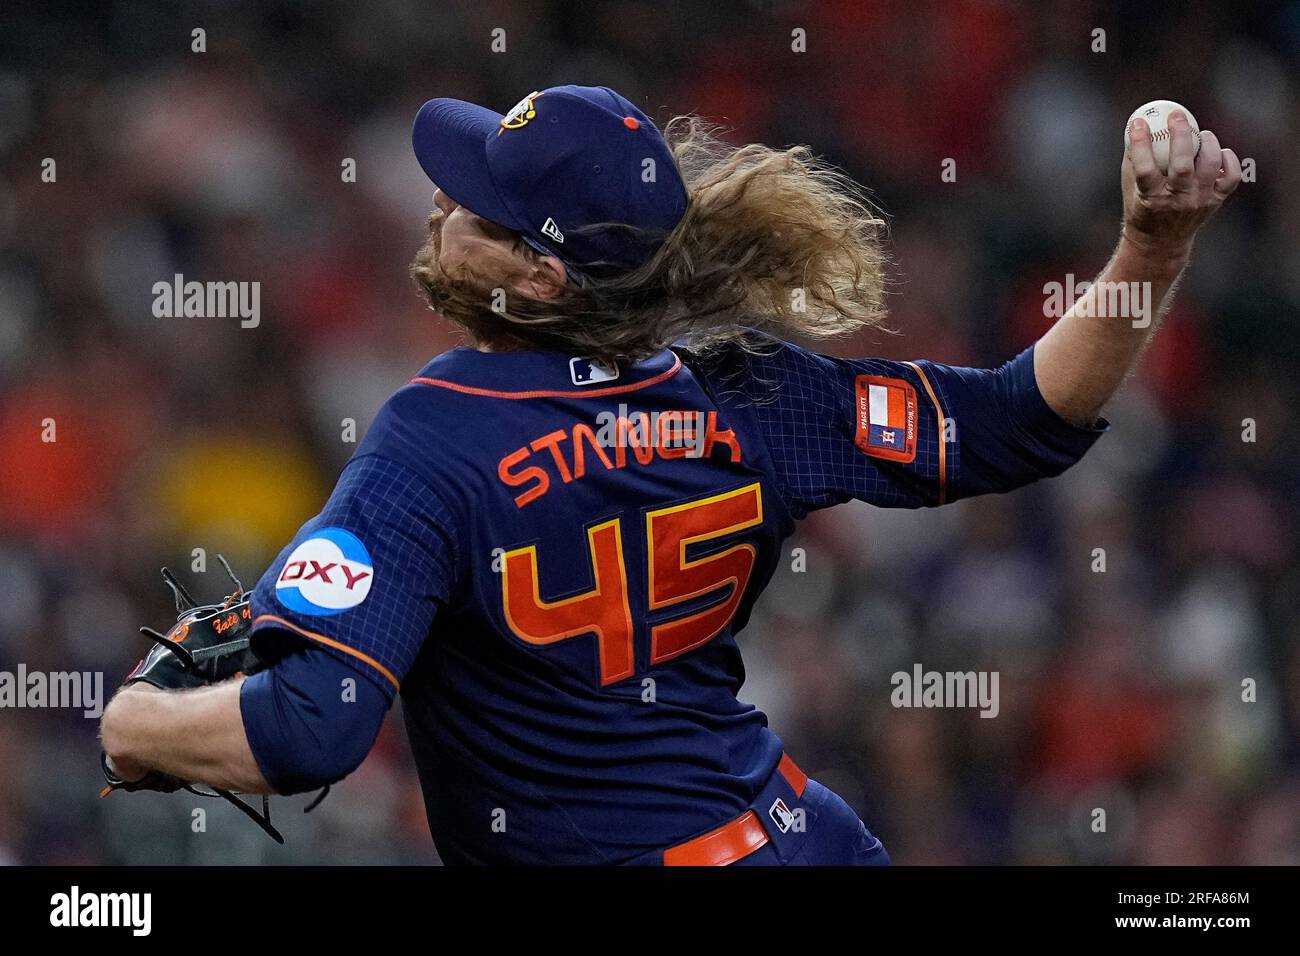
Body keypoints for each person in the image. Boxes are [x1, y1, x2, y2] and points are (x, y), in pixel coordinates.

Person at [100, 84, 1240, 865]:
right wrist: (1152, 249)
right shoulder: (749, 393)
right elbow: (1016, 420)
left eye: (475, 205)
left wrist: (137, 727)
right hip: (801, 841)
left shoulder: (434, 436)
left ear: (540, 279)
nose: (440, 203)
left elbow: (311, 725)